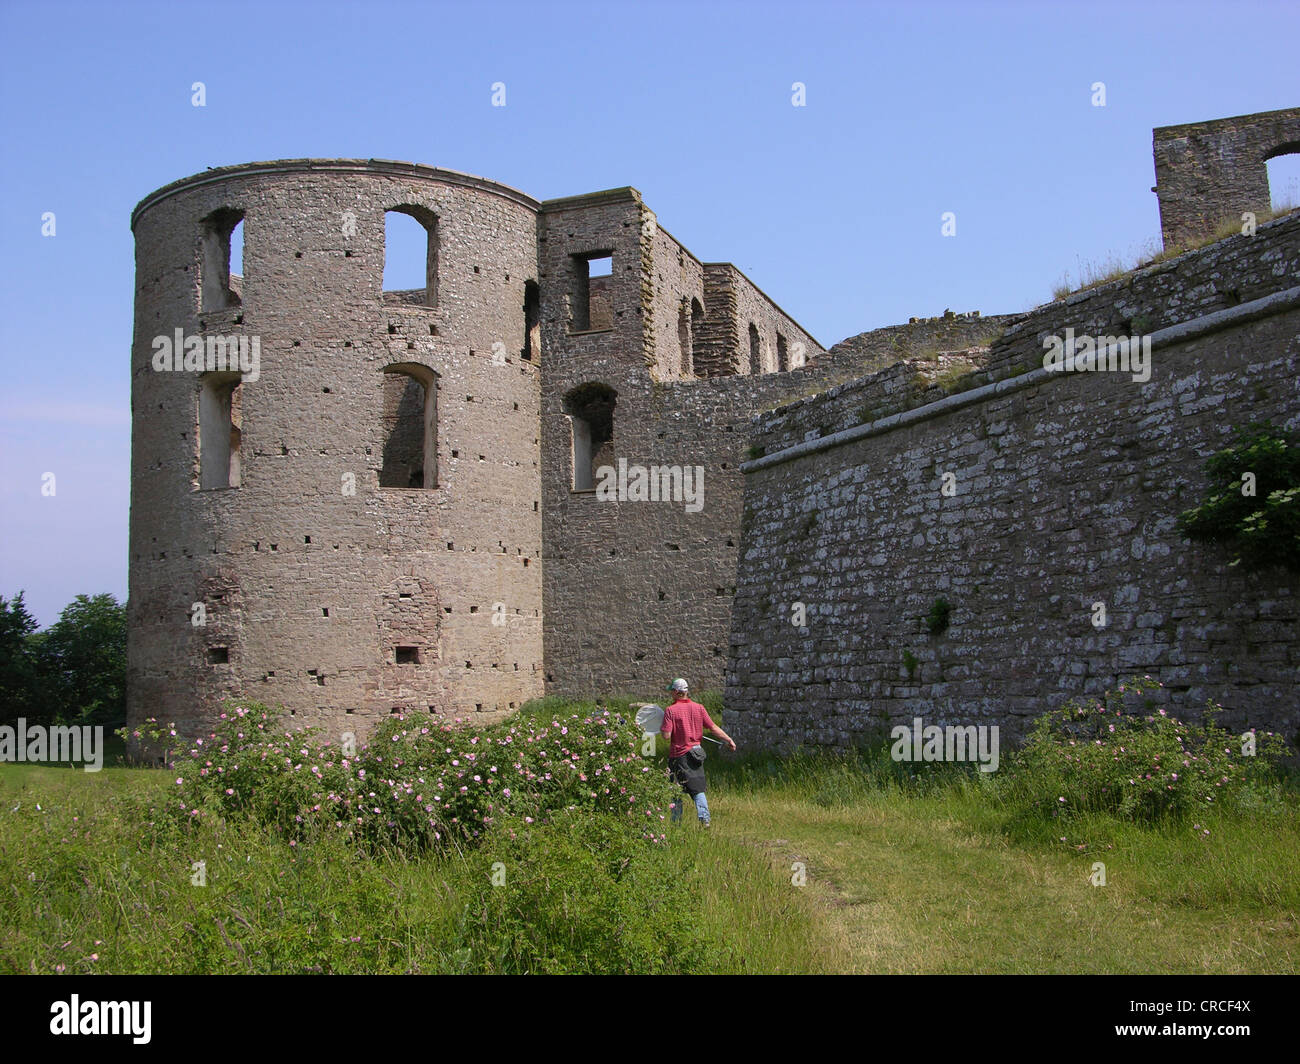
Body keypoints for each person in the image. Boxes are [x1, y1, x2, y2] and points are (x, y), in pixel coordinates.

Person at [659, 678, 736, 826]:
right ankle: (705, 820)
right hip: (697, 754)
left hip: (679, 756)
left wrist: (662, 728)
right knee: (698, 789)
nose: (671, 694)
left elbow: (666, 736)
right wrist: (728, 740)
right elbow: (713, 728)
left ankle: (676, 823)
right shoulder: (699, 708)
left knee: (675, 791)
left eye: (672, 691)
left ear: (676, 692)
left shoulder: (671, 710)